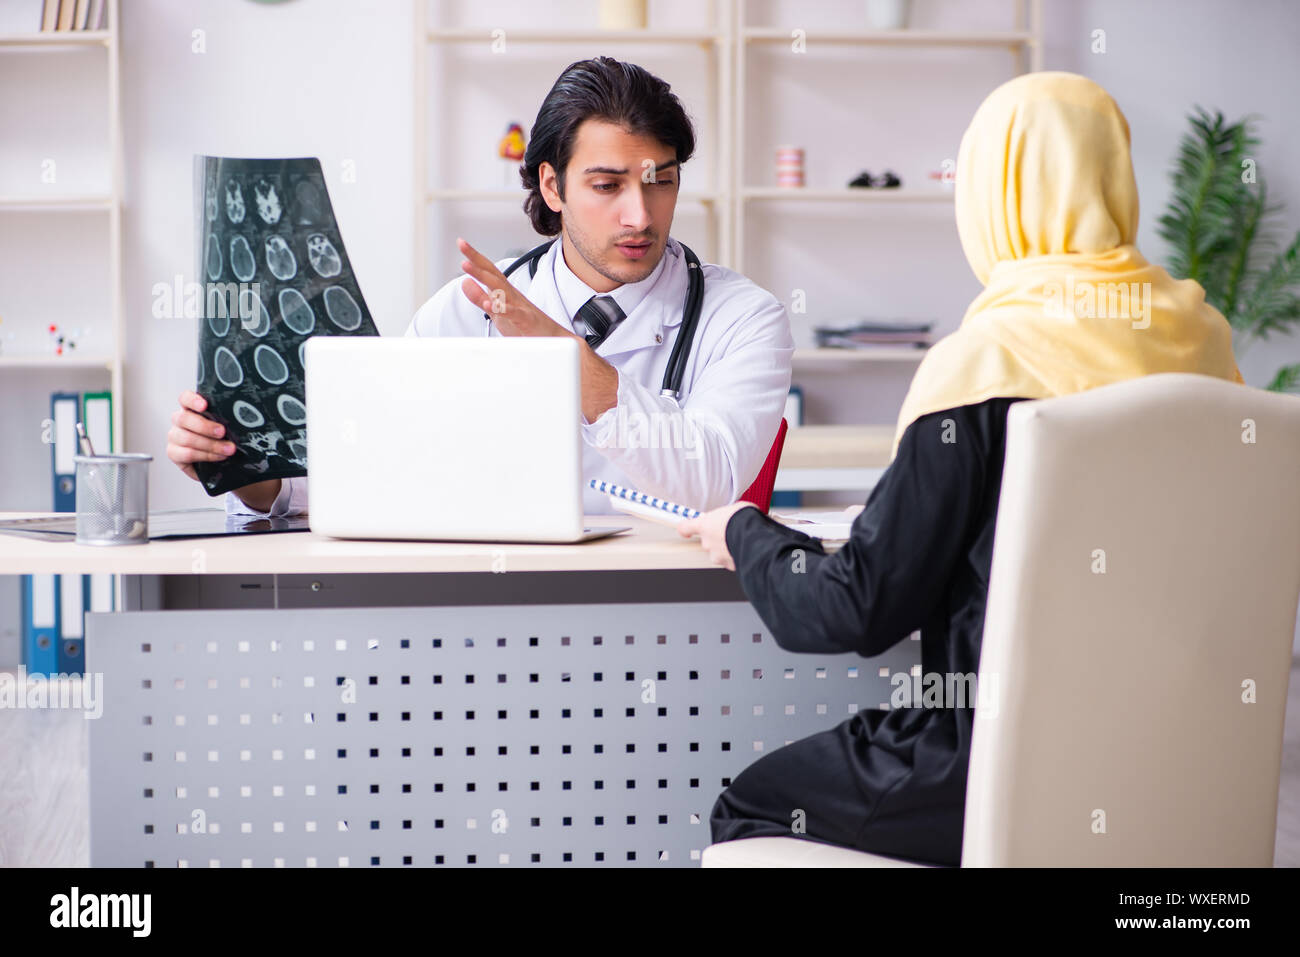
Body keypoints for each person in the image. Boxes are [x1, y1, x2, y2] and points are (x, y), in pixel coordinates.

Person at [680, 71, 1245, 866]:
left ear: (994, 194)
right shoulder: (1205, 344)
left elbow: (856, 611)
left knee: (754, 804)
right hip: (1177, 757)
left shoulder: (991, 360)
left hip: (983, 765)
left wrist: (744, 531)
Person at [167, 57, 793, 516]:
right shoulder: (465, 313)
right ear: (552, 186)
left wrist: (555, 349)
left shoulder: (742, 318)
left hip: (674, 621)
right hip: (489, 628)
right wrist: (243, 468)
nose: (640, 214)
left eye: (661, 182)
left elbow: (714, 479)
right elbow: (349, 475)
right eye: (608, 186)